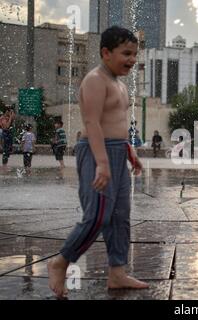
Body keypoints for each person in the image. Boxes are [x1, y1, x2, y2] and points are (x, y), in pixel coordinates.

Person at [47, 26, 149, 299]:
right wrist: (102, 163)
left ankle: (117, 272)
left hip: (117, 152)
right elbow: (92, 123)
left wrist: (130, 151)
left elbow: (118, 123)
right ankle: (61, 261)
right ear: (106, 52)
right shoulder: (95, 80)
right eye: (126, 53)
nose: (131, 59)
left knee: (119, 217)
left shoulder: (121, 84)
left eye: (134, 54)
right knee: (97, 215)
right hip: (96, 151)